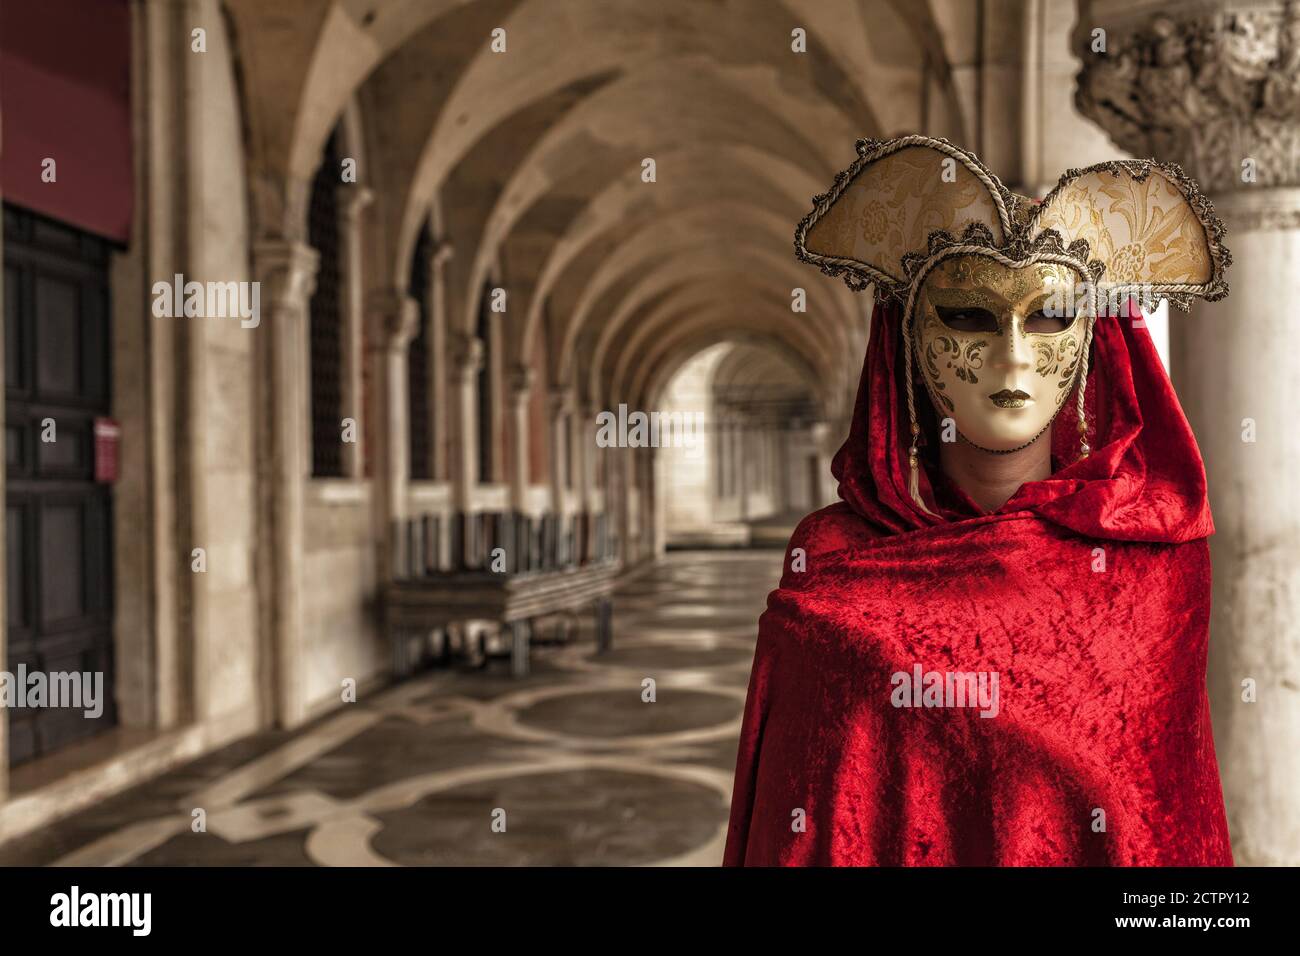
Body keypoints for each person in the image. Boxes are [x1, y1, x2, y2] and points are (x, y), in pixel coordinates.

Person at [723, 135, 1234, 866]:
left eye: (1052, 316)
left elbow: (1160, 828)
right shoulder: (832, 562)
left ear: (1095, 336)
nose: (1015, 355)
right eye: (968, 316)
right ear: (905, 339)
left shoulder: (1148, 563)